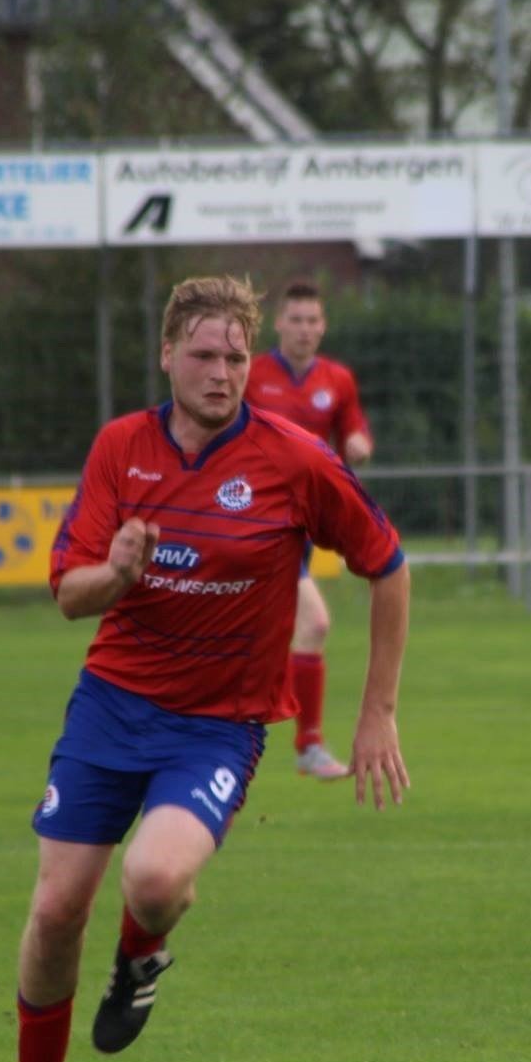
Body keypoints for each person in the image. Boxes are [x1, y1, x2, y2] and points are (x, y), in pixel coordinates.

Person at [0, 275, 411, 1062]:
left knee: (154, 877)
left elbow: (389, 563)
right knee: (56, 908)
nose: (222, 372)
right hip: (110, 706)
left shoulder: (293, 459)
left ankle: (139, 957)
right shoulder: (121, 448)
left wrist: (378, 711)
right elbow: (71, 596)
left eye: (235, 356)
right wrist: (119, 571)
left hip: (216, 727)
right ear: (167, 355)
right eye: (204, 354)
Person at [242, 280, 374, 781]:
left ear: (323, 326)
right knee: (311, 624)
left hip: (299, 523)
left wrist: (359, 442)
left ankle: (283, 740)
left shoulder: (337, 380)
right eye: (295, 319)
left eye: (312, 320)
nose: (304, 328)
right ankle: (307, 745)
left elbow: (353, 427)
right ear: (278, 324)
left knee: (265, 631)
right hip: (254, 517)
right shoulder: (251, 375)